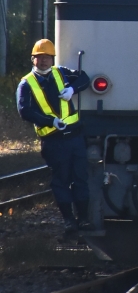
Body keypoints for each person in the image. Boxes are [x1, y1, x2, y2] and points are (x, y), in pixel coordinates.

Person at [16, 39, 91, 236]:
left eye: (47, 58)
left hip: (74, 137)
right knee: (61, 182)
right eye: (40, 58)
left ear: (52, 59)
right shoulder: (26, 84)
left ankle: (83, 219)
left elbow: (84, 78)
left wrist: (73, 89)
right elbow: (25, 111)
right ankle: (69, 221)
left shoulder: (61, 72)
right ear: (33, 60)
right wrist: (50, 122)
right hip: (54, 141)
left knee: (80, 179)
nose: (44, 62)